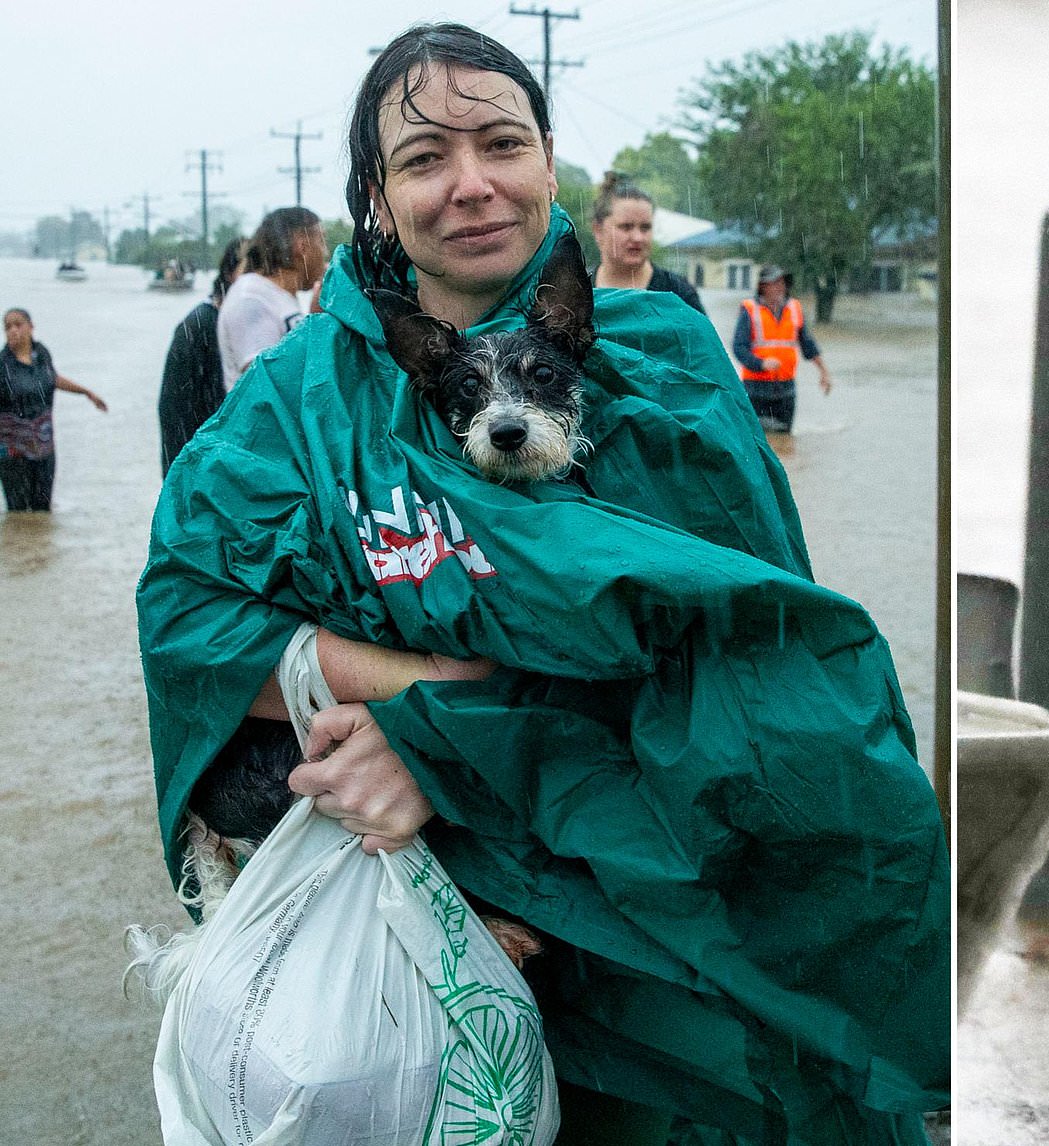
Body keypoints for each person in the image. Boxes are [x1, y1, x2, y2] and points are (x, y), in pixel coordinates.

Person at [138, 23, 948, 1146]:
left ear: (549, 157)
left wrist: (446, 745)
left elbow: (748, 669)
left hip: (658, 925)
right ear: (375, 195)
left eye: (501, 145)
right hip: (430, 953)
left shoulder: (664, 356)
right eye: (425, 159)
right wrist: (414, 704)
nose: (471, 186)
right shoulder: (293, 404)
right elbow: (191, 619)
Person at [0, 307, 107, 512]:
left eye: (18, 325)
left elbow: (53, 379)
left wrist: (86, 392)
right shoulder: (2, 364)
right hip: (13, 454)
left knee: (42, 511)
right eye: (7, 327)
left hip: (44, 448)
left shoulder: (41, 354)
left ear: (31, 327)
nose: (13, 330)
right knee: (18, 514)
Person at [158, 238, 247, 474]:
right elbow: (175, 408)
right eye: (250, 269)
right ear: (230, 273)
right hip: (200, 462)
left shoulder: (248, 322)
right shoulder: (200, 325)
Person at [216, 206, 326, 388]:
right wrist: (318, 323)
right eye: (322, 241)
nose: (326, 253)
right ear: (303, 246)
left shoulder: (278, 295)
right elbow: (266, 383)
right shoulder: (251, 298)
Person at [732, 266, 832, 433]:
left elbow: (808, 345)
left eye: (783, 282)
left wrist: (824, 372)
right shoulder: (750, 310)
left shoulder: (794, 308)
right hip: (756, 389)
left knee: (785, 439)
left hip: (786, 389)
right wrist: (761, 363)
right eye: (775, 282)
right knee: (758, 441)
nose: (781, 287)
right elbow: (738, 348)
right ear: (763, 286)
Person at [589, 171, 704, 313]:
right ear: (598, 230)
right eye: (626, 227)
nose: (638, 238)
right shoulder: (578, 290)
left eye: (645, 228)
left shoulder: (678, 293)